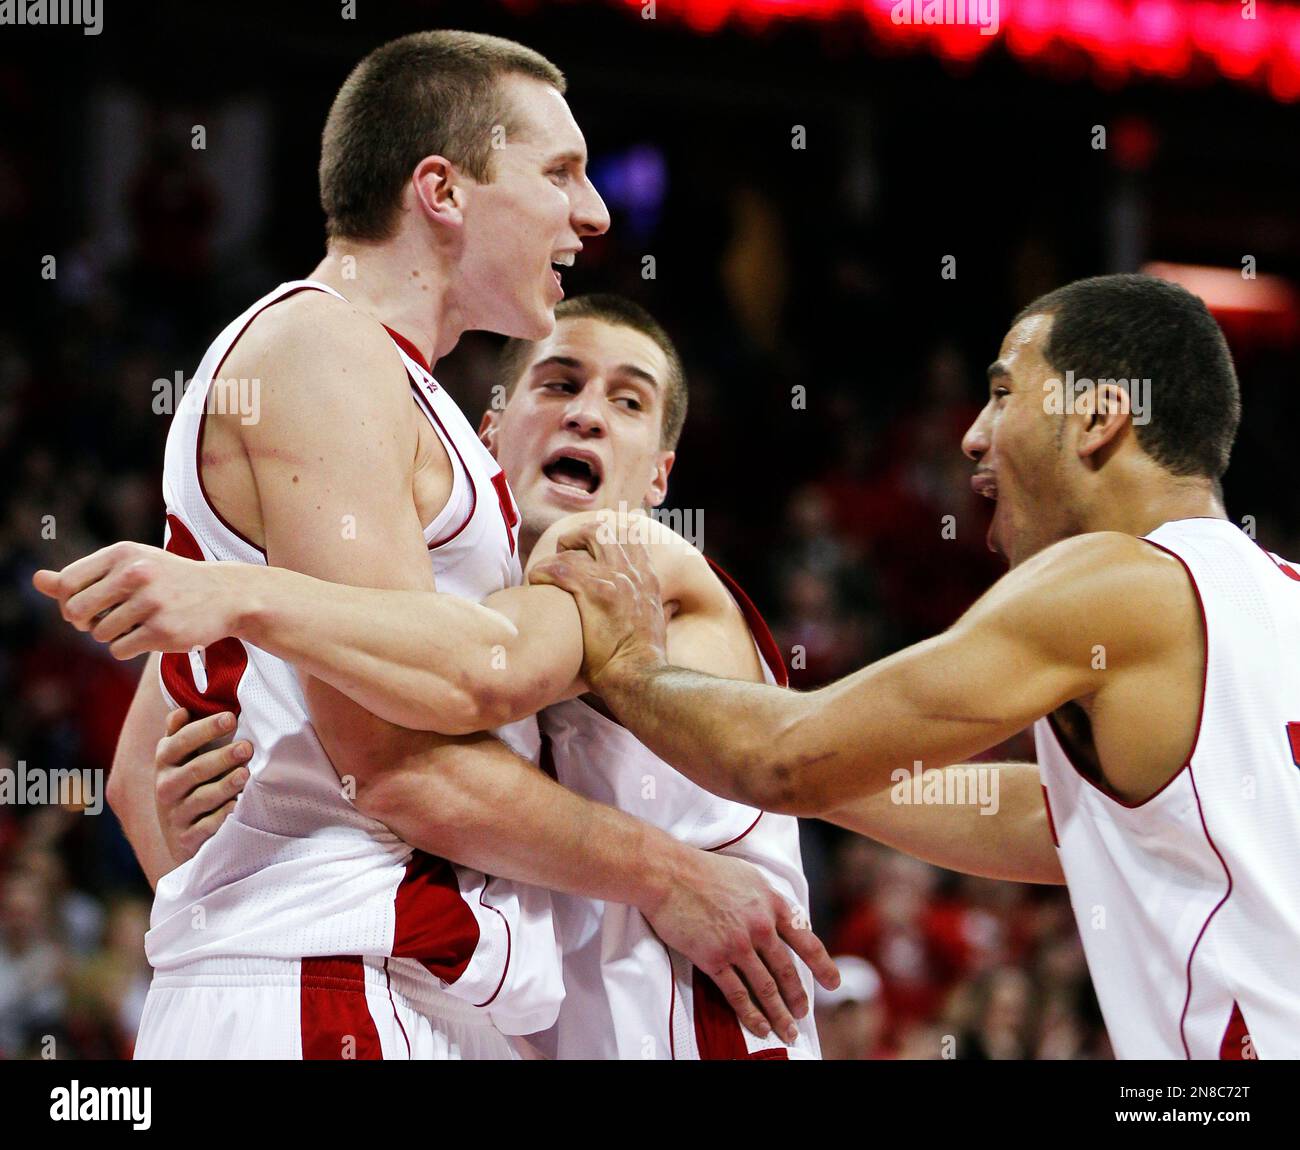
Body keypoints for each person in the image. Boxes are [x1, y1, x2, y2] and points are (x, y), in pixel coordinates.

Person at [34, 31, 829, 1059]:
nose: (592, 213)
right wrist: (669, 873)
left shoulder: (400, 394)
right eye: (560, 174)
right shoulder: (323, 348)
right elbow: (396, 760)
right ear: (442, 190)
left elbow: (142, 776)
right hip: (331, 984)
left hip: (391, 986)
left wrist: (222, 828)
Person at [528, 273, 1300, 1060]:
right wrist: (825, 764)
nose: (974, 434)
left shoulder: (1115, 579)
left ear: (1098, 417)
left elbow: (783, 760)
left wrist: (627, 667)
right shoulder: (1281, 600)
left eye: (1003, 394)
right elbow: (1046, 817)